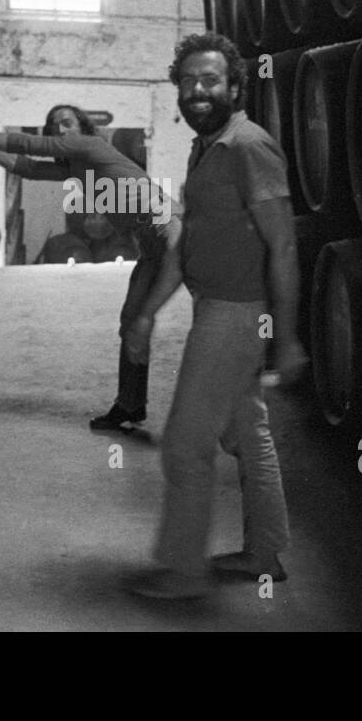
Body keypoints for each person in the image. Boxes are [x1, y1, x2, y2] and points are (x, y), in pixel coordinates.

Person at [122, 32, 307, 599]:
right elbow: (186, 247)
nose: (197, 91)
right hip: (215, 306)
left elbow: (284, 246)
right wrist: (148, 313)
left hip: (237, 313)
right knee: (247, 432)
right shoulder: (208, 147)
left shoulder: (248, 146)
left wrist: (289, 337)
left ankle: (182, 572)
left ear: (233, 86)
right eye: (187, 82)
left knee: (184, 444)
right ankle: (264, 554)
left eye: (209, 81)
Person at [0, 105, 181, 431]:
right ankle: (130, 405)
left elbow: (28, 145)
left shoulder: (89, 147)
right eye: (54, 126)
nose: (61, 130)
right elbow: (24, 166)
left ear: (83, 127)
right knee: (131, 320)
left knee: (210, 311)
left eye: (67, 123)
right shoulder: (76, 168)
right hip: (149, 243)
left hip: (169, 227)